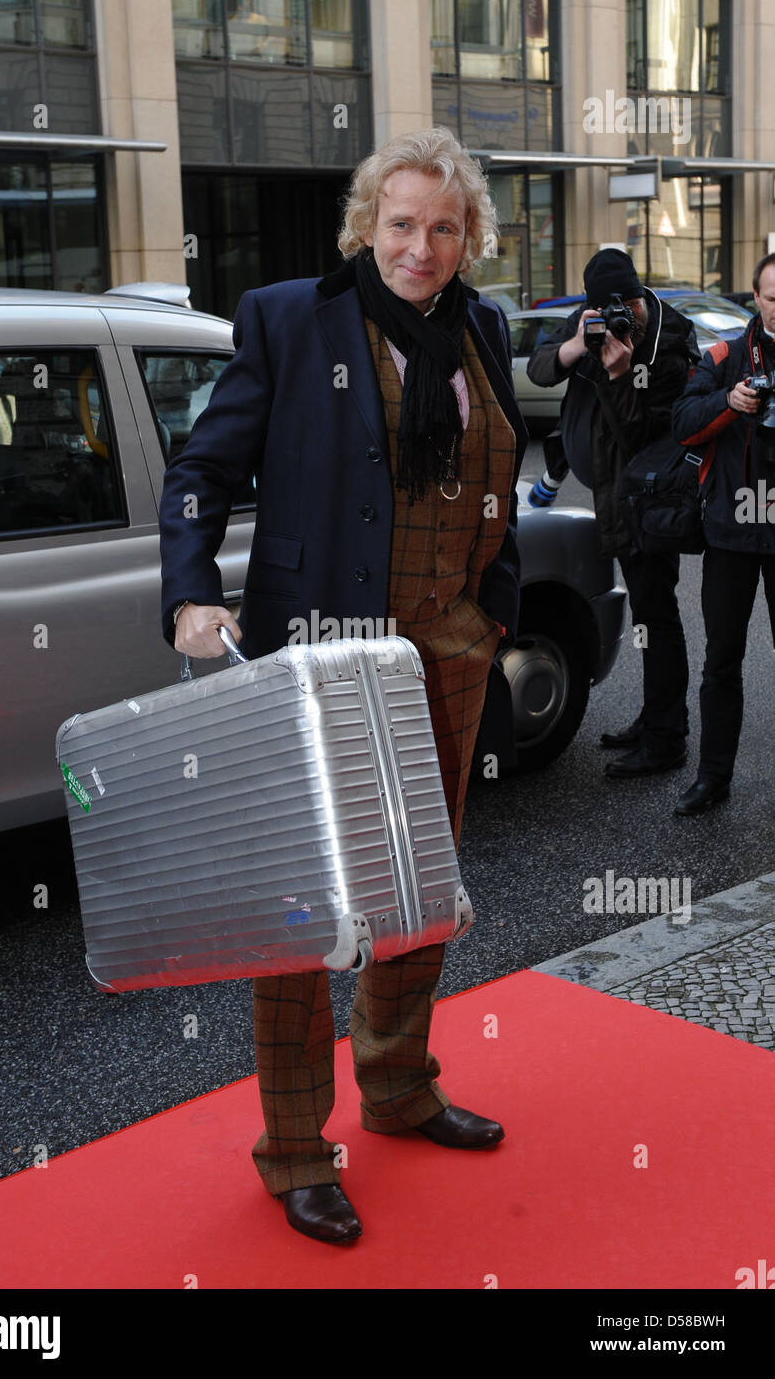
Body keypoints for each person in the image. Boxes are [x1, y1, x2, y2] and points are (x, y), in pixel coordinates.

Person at [158, 127, 527, 1243]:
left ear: (470, 237)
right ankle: (292, 1148)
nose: (421, 245)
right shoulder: (286, 317)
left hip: (444, 653)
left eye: (444, 226)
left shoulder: (484, 329)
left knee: (416, 893)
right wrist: (189, 592)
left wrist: (494, 597)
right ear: (367, 223)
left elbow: (496, 472)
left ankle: (401, 1088)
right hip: (318, 654)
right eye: (402, 222)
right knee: (304, 913)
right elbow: (201, 469)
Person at [526, 250, 700, 777]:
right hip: (610, 496)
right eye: (608, 307)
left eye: (627, 302)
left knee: (657, 615)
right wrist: (578, 344)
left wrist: (622, 374)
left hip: (651, 499)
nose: (623, 313)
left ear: (640, 293)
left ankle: (666, 739)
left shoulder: (669, 339)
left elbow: (647, 435)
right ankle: (653, 718)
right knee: (650, 614)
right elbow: (539, 369)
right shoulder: (587, 325)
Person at [671, 253, 775, 815]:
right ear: (755, 298)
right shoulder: (724, 354)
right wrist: (729, 402)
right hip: (732, 529)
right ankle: (713, 778)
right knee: (721, 661)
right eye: (773, 296)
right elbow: (682, 424)